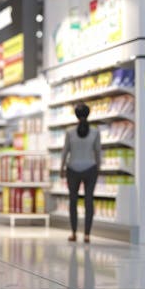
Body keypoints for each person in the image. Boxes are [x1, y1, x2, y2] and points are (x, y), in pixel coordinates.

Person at [61, 103, 101, 243]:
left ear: (76, 115)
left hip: (72, 169)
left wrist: (61, 168)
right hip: (90, 168)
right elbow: (98, 151)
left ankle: (73, 233)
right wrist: (98, 168)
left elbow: (65, 151)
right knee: (89, 201)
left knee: (73, 201)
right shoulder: (95, 132)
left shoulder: (70, 132)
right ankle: (87, 235)